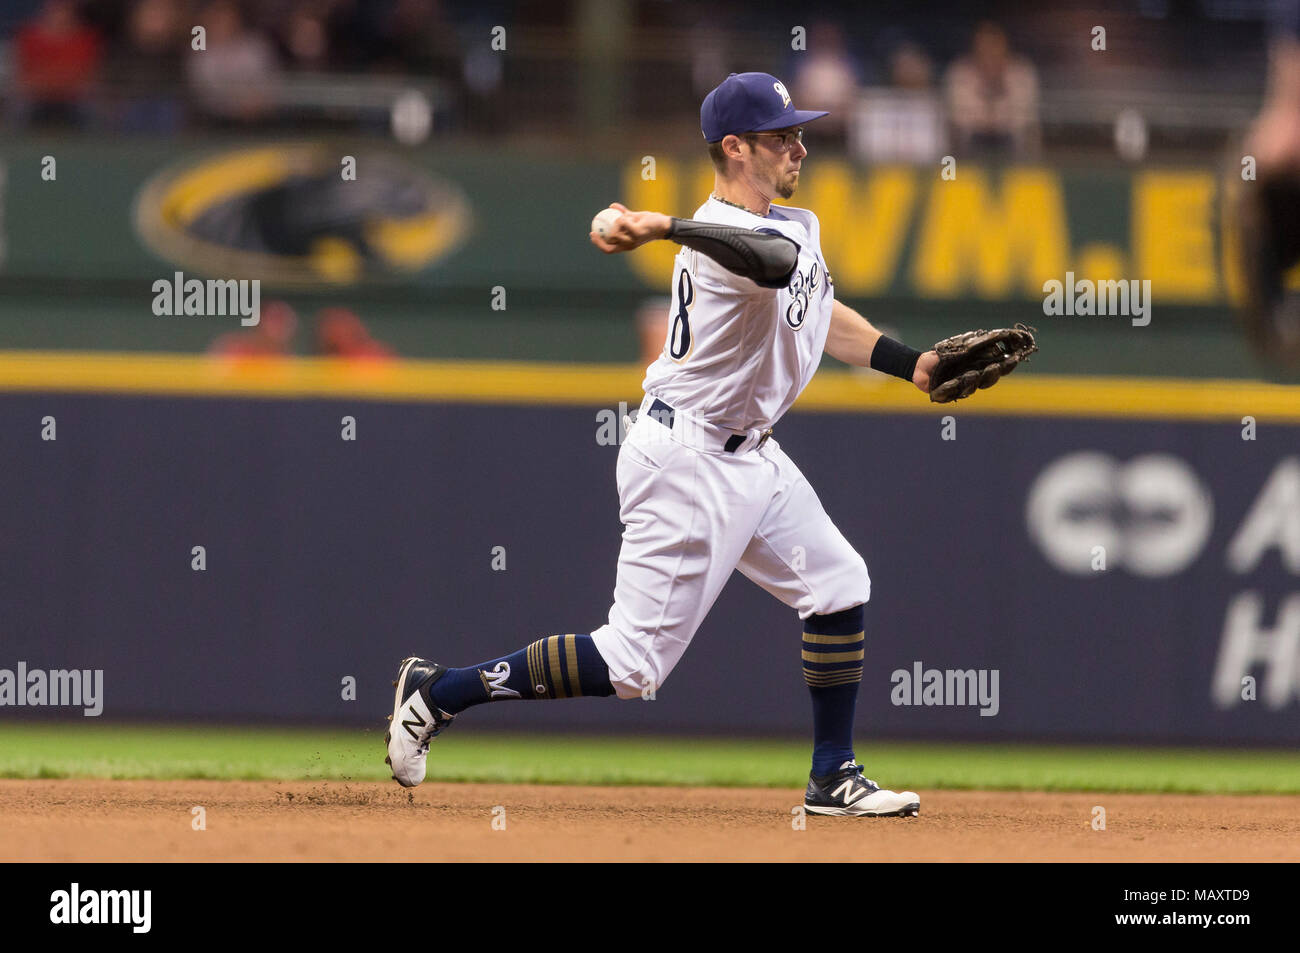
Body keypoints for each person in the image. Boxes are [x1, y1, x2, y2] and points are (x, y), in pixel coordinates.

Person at [385, 72, 939, 817]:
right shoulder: (717, 240)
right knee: (629, 664)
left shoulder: (789, 225)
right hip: (689, 458)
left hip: (754, 457)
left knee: (839, 583)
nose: (800, 145)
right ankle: (440, 689)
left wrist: (914, 366)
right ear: (735, 148)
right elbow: (762, 262)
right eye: (783, 136)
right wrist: (667, 226)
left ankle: (832, 775)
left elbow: (821, 311)